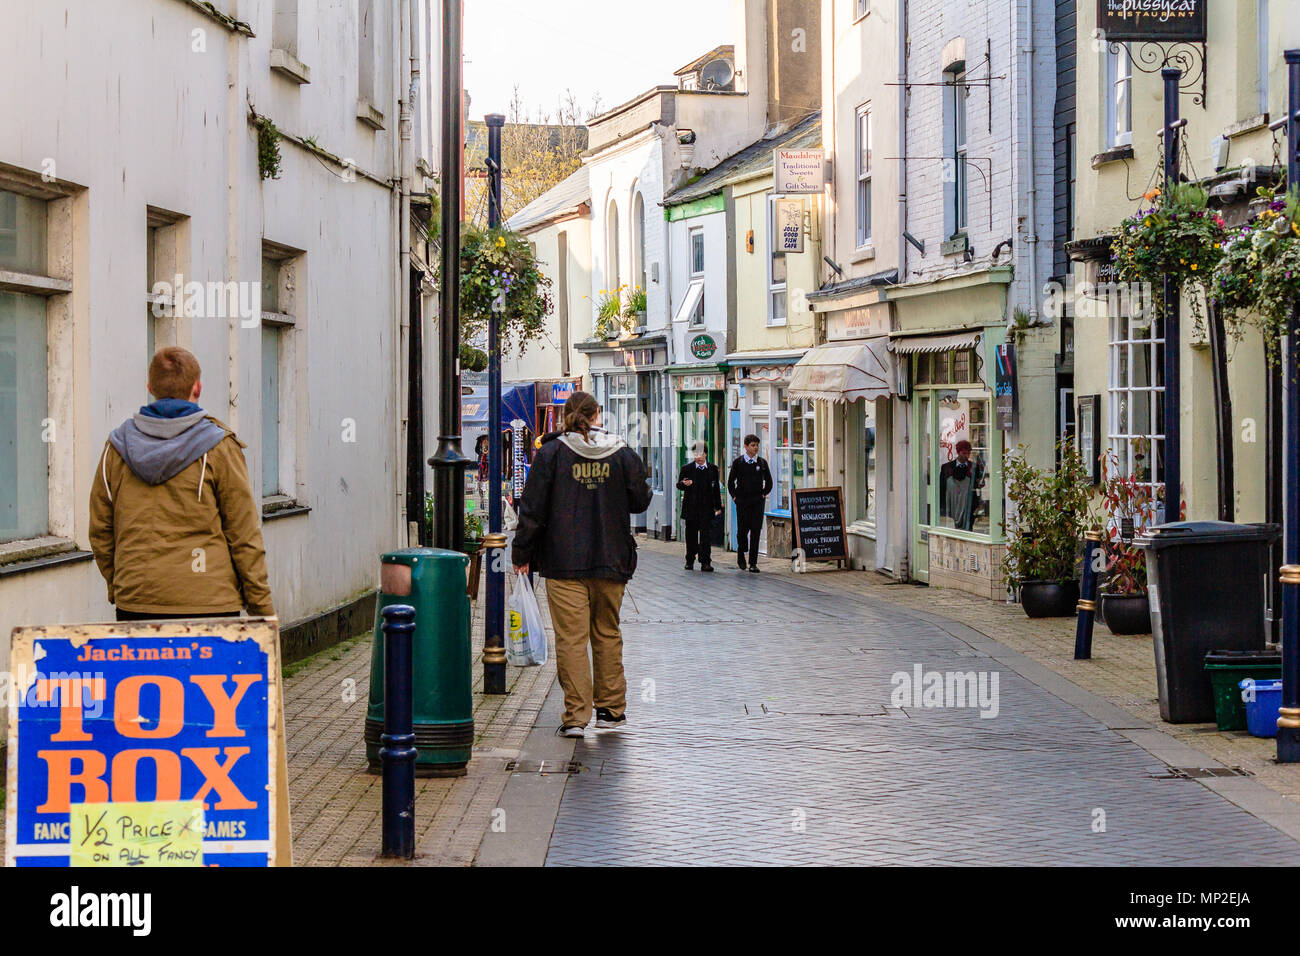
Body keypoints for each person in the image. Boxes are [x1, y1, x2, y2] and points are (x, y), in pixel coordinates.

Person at [89, 347, 275, 621]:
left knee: (146, 666)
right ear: (197, 388)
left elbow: (100, 531)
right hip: (210, 603)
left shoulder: (116, 448)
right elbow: (244, 535)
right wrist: (263, 611)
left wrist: (124, 583)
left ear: (150, 387)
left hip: (138, 603)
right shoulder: (221, 447)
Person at [512, 391, 652, 738]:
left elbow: (532, 509)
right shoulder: (620, 452)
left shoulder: (552, 454)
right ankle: (611, 711)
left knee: (572, 639)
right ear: (597, 414)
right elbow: (640, 500)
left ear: (565, 417)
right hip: (611, 560)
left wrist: (521, 553)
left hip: (564, 562)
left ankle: (576, 717)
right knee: (607, 632)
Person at [728, 434, 773, 573]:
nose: (756, 448)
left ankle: (753, 562)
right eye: (753, 445)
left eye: (757, 445)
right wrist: (735, 497)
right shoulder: (738, 463)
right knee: (742, 532)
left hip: (757, 503)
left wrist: (763, 494)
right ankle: (741, 554)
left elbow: (769, 482)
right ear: (746, 446)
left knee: (755, 532)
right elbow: (730, 482)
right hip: (742, 502)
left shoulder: (762, 463)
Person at [676, 440, 723, 572]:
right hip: (691, 508)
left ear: (705, 454)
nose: (697, 456)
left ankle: (705, 562)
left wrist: (718, 507)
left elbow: (716, 490)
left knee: (705, 537)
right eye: (695, 453)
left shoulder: (713, 469)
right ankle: (689, 559)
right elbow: (679, 484)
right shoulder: (687, 469)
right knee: (691, 536)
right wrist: (684, 484)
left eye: (700, 453)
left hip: (706, 508)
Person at [939, 439, 987, 531]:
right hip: (952, 504)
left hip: (968, 505)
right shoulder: (947, 467)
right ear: (958, 452)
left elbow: (978, 485)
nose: (967, 456)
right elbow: (942, 487)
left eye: (968, 453)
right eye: (964, 453)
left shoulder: (974, 466)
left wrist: (981, 482)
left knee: (968, 529)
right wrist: (942, 506)